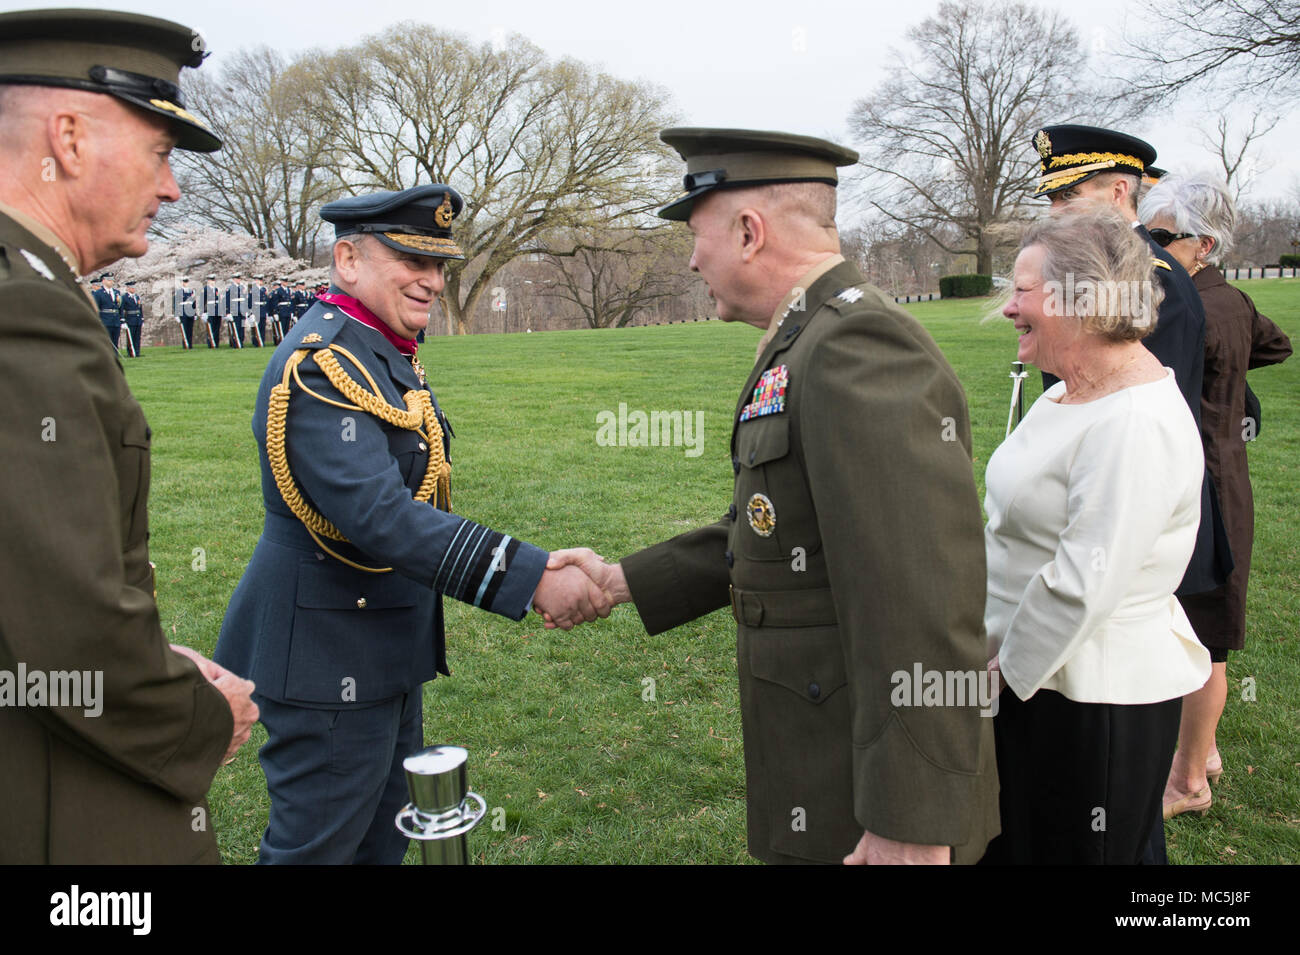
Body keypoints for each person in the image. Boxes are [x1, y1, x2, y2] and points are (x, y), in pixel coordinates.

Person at [549, 128, 1000, 865]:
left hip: (871, 807)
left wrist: (910, 826)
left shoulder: (856, 346)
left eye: (696, 237)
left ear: (750, 232)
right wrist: (619, 581)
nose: (692, 259)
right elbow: (767, 532)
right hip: (823, 768)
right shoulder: (808, 337)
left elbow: (923, 599)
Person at [213, 183, 610, 865]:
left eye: (438, 266)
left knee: (381, 845)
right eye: (410, 261)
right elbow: (381, 517)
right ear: (347, 260)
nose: (430, 281)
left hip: (379, 647)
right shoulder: (324, 365)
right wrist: (530, 574)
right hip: (325, 655)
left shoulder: (379, 350)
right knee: (320, 852)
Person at [0, 7, 257, 863]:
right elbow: (68, 621)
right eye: (159, 151)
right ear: (68, 137)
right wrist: (198, 714)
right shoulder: (26, 305)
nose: (173, 186)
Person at [979, 208, 1212, 864]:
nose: (1008, 309)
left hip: (1088, 702)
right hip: (1036, 683)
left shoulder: (1133, 421)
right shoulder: (1067, 394)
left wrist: (994, 681)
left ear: (1083, 298)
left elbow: (1083, 582)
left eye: (1023, 292)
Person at [1030, 124, 1234, 864]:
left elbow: (1132, 415)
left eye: (1070, 194)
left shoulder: (1146, 276)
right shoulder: (1104, 268)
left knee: (1113, 804)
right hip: (1101, 523)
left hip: (1128, 532)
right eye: (1050, 196)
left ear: (1121, 192)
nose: (1056, 210)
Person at [1138, 173, 1293, 818]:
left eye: (1163, 236)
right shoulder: (1231, 301)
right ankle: (1202, 754)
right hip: (1226, 470)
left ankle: (1190, 779)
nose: (1152, 246)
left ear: (1202, 242)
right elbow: (1276, 346)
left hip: (1203, 479)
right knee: (1198, 626)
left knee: (1202, 632)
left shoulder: (1184, 304)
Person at [92, 272, 122, 348]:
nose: (111, 281)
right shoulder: (98, 293)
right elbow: (96, 307)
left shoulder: (116, 292)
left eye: (112, 280)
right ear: (103, 281)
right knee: (106, 343)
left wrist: (121, 319)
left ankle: (115, 358)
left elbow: (120, 307)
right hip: (105, 320)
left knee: (115, 342)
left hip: (116, 321)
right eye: (109, 280)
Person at [224, 273, 247, 348]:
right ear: (234, 279)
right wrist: (227, 312)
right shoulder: (230, 288)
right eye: (237, 278)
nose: (238, 280)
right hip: (234, 310)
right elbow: (227, 300)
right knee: (236, 327)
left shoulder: (242, 287)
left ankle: (241, 341)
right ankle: (235, 343)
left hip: (242, 310)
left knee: (242, 327)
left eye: (239, 278)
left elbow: (245, 299)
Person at [122, 279, 143, 357]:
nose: (133, 289)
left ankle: (137, 352)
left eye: (134, 288)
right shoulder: (124, 297)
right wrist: (123, 320)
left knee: (137, 337)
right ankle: (131, 352)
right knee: (131, 336)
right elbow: (122, 309)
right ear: (127, 288)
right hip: (130, 319)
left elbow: (140, 308)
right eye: (131, 288)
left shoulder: (137, 297)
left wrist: (142, 318)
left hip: (137, 319)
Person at [175, 275, 197, 349]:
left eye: (187, 282)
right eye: (184, 282)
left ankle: (190, 345)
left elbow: (194, 303)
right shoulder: (179, 292)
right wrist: (177, 315)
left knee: (190, 329)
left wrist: (195, 313)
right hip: (183, 312)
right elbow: (176, 304)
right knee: (184, 329)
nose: (185, 283)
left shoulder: (192, 291)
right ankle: (185, 345)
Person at [202, 274, 222, 347]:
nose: (212, 282)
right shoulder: (205, 289)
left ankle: (216, 343)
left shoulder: (216, 289)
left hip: (217, 310)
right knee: (211, 327)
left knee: (217, 327)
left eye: (213, 280)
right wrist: (204, 312)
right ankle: (210, 343)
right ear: (208, 281)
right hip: (210, 310)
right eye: (211, 280)